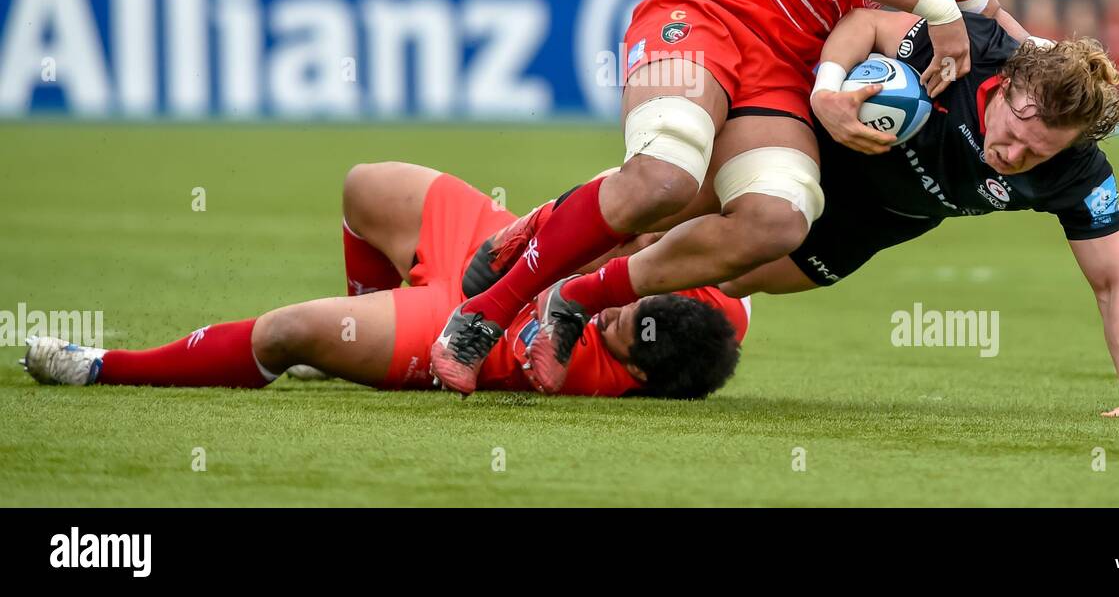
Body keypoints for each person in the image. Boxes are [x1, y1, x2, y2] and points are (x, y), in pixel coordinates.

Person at [430, 0, 1041, 394]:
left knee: (779, 219)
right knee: (664, 178)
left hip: (782, 73)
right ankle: (483, 314)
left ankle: (567, 297)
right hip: (707, 11)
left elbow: (998, 30)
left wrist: (1064, 71)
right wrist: (935, 5)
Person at [574, 9, 1119, 418]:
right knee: (666, 216)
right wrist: (830, 87)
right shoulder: (971, 48)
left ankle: (599, 324)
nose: (1013, 156)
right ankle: (536, 282)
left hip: (873, 220)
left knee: (728, 274)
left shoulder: (1079, 174)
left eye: (1035, 155)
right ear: (1014, 85)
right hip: (821, 142)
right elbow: (864, 22)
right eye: (1016, 131)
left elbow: (1114, 283)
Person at [23, 164, 746, 400]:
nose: (607, 308)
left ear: (640, 374)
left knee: (286, 329)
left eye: (616, 328)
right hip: (496, 245)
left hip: (464, 330)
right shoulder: (716, 313)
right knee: (364, 188)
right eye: (630, 300)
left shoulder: (595, 373)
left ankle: (101, 366)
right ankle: (359, 322)